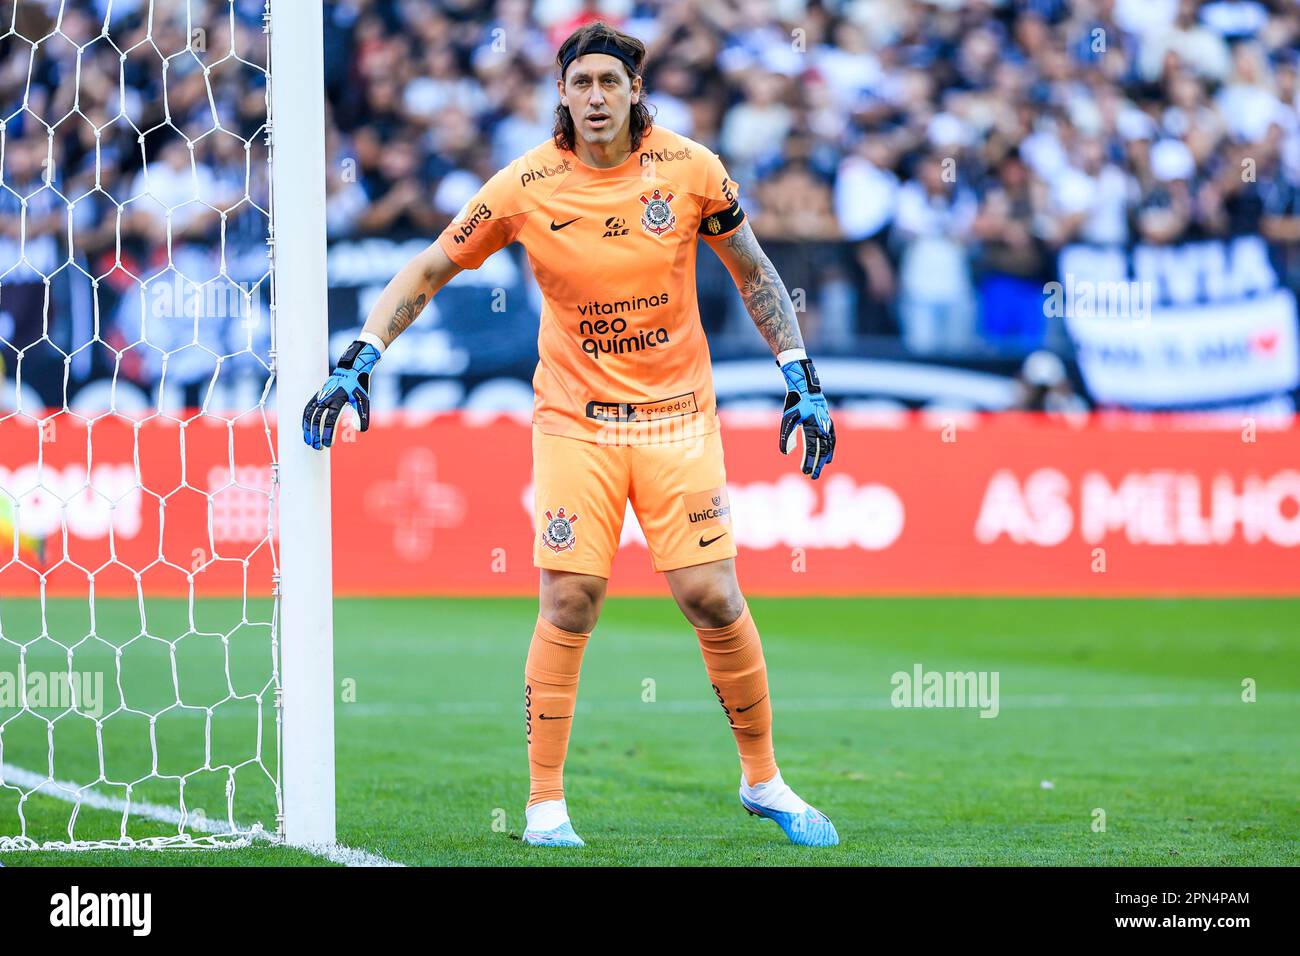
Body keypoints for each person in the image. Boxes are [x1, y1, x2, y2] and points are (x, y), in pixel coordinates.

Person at [302, 22, 839, 849]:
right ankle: (545, 805)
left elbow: (755, 271)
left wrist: (799, 374)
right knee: (570, 599)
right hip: (574, 424)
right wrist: (360, 356)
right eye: (580, 83)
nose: (595, 97)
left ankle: (763, 781)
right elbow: (428, 268)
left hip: (678, 419)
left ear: (633, 92)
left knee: (713, 596)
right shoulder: (524, 186)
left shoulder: (690, 169)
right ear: (561, 91)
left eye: (609, 84)